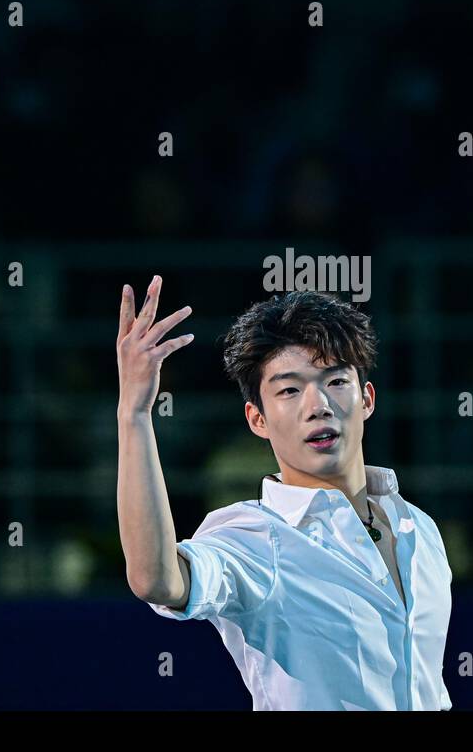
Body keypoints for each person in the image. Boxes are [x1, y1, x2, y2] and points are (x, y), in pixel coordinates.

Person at [117, 276, 453, 710]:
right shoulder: (253, 538)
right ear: (257, 419)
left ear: (367, 398)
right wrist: (135, 413)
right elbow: (155, 579)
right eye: (290, 390)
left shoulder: (418, 527)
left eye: (335, 382)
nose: (318, 406)